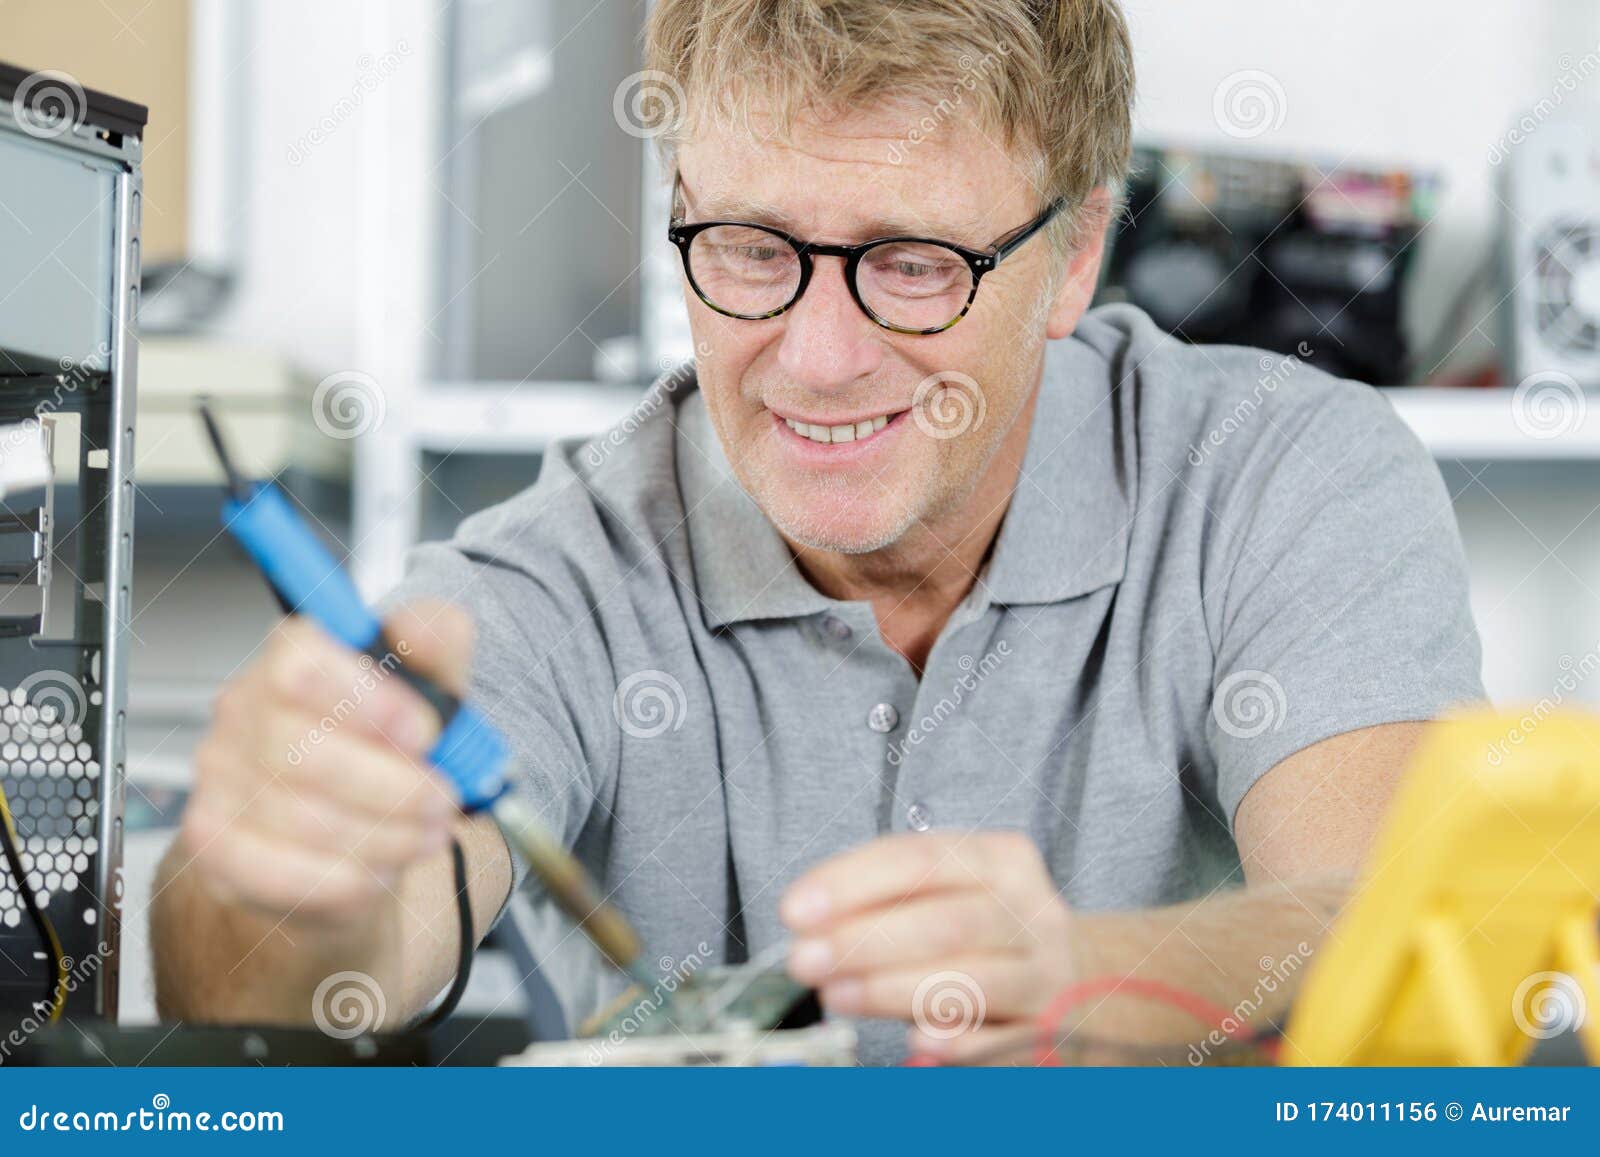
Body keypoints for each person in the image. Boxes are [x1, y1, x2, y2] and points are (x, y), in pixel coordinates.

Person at [152, 0, 1483, 1065]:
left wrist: (1081, 978)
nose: (821, 356)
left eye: (913, 264)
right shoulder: (567, 568)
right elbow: (282, 979)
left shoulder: (1286, 475)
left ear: (1077, 251)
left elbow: (1397, 926)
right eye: (749, 247)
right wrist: (289, 887)